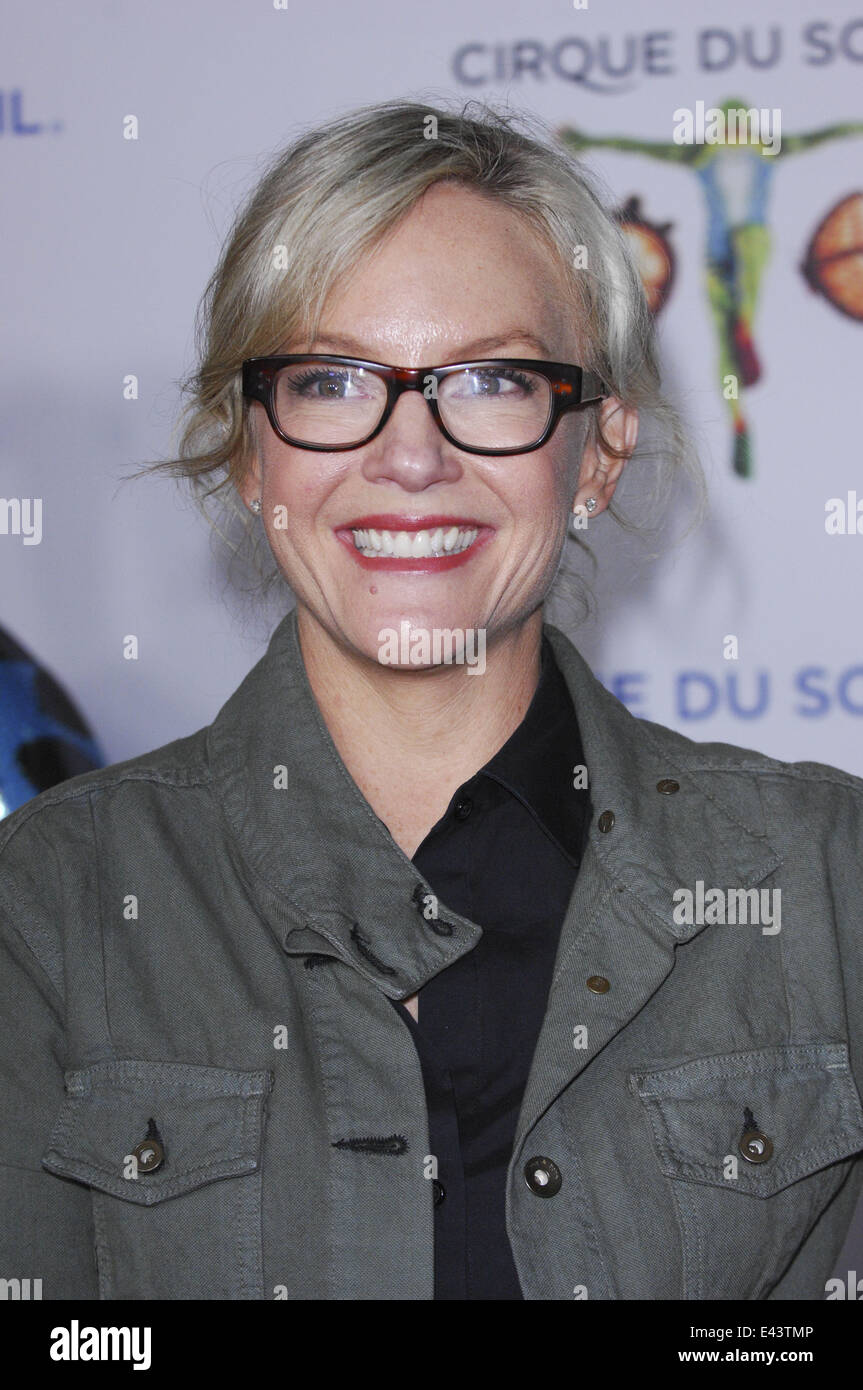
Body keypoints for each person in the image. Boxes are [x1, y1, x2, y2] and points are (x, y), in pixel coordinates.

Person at [1, 98, 862, 1302]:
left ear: (597, 455)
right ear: (254, 451)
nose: (411, 454)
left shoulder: (826, 880)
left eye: (492, 379)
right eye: (333, 378)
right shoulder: (49, 904)